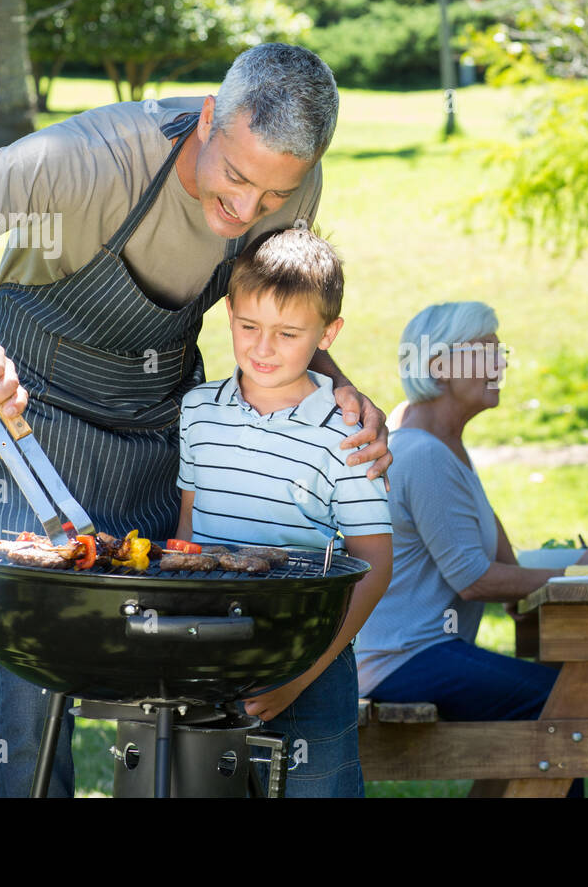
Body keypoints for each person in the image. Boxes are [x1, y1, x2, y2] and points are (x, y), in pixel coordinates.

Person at [0, 43, 392, 797]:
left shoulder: (287, 177)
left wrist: (338, 389)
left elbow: (274, 310)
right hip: (28, 413)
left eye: (272, 199)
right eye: (236, 178)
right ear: (209, 119)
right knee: (35, 667)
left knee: (184, 646)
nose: (246, 212)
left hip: (158, 426)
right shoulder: (95, 158)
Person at [173, 226, 391, 796]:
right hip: (209, 649)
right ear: (229, 314)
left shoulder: (347, 435)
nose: (263, 349)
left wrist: (301, 676)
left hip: (310, 658)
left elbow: (375, 563)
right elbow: (186, 535)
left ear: (328, 333)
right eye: (249, 326)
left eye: (288, 333)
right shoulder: (197, 413)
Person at [355, 302, 588, 796]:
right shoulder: (423, 452)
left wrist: (570, 567)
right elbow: (475, 579)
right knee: (564, 704)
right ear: (439, 366)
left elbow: (500, 561)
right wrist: (581, 575)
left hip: (419, 655)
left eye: (500, 351)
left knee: (550, 702)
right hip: (400, 661)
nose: (501, 364)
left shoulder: (443, 446)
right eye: (485, 352)